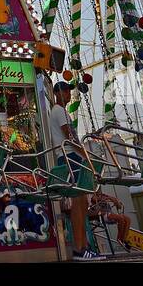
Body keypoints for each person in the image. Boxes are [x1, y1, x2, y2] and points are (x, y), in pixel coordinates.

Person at [47, 80, 100, 260]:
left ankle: (84, 245)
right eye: (66, 93)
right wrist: (86, 156)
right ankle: (79, 247)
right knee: (79, 202)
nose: (69, 96)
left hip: (71, 157)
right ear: (58, 93)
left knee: (82, 203)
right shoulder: (59, 111)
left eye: (69, 93)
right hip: (70, 157)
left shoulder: (61, 111)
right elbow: (70, 138)